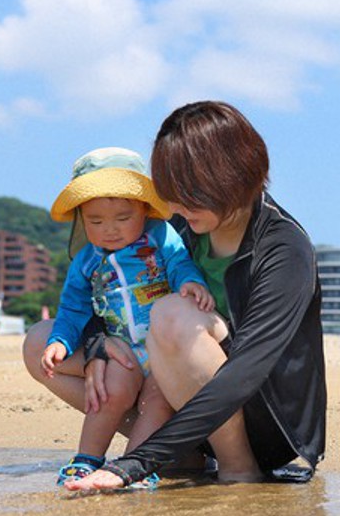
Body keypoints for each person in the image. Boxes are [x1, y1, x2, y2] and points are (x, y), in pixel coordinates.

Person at [62, 100, 326, 490]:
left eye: (189, 195)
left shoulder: (284, 249)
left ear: (232, 178)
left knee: (170, 313)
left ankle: (238, 470)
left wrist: (135, 463)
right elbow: (115, 292)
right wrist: (96, 342)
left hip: (268, 426)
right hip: (191, 415)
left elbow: (245, 371)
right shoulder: (183, 228)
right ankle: (181, 455)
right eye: (170, 194)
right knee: (42, 344)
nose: (173, 207)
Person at [37, 146, 213, 485]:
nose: (110, 230)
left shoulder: (160, 236)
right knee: (108, 390)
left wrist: (190, 282)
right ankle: (87, 458)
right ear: (81, 219)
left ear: (145, 210)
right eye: (96, 221)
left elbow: (179, 263)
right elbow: (74, 309)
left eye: (122, 218)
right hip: (124, 349)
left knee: (158, 400)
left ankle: (137, 464)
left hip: (164, 347)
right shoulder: (85, 261)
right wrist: (60, 341)